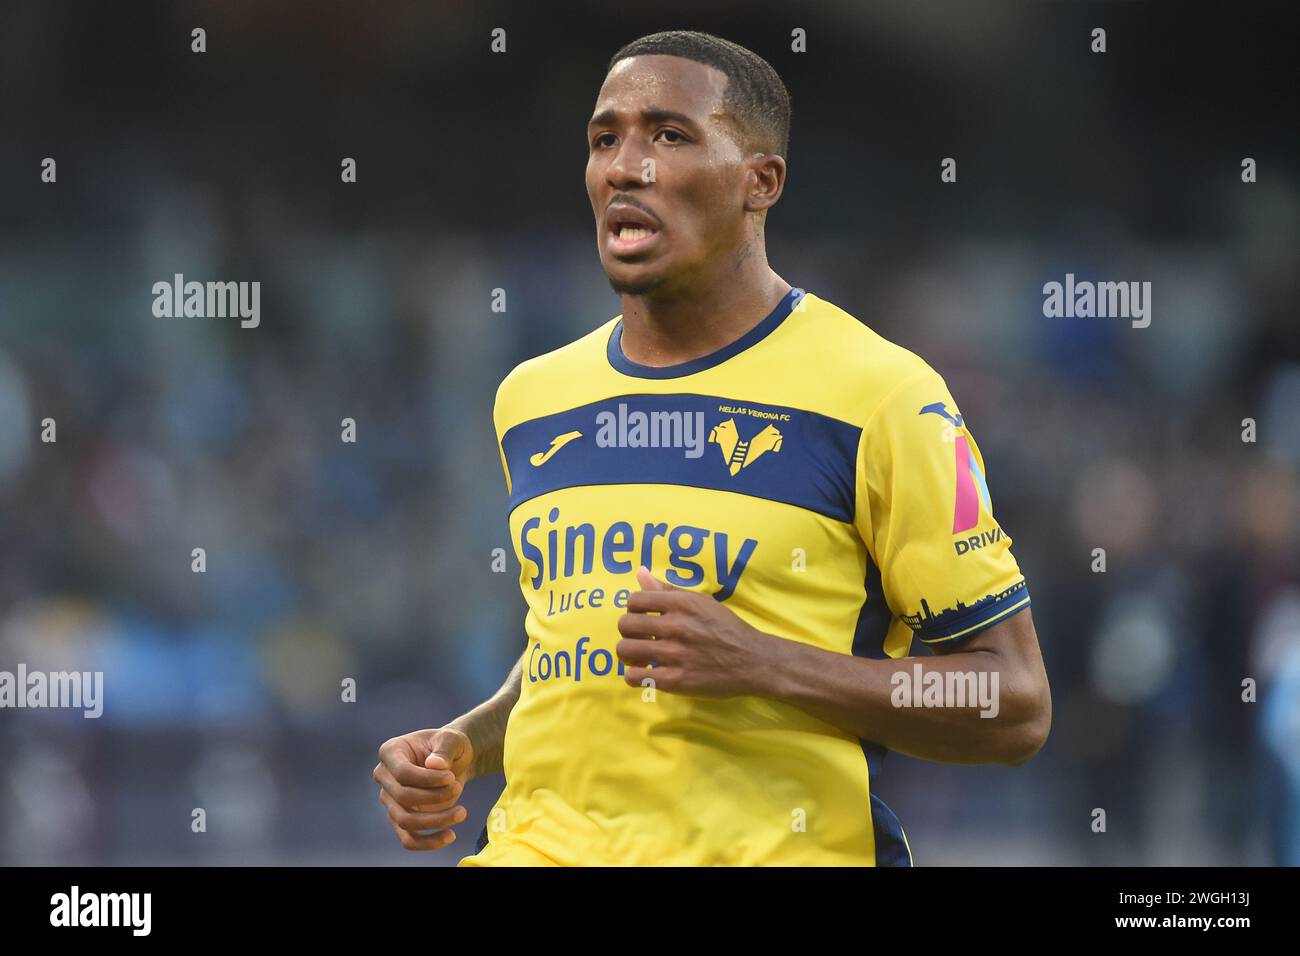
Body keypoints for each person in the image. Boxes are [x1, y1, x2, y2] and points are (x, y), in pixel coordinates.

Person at [374, 29, 1051, 866]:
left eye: (669, 135)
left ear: (759, 182)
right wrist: (465, 744)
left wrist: (765, 663)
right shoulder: (534, 399)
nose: (626, 166)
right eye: (603, 138)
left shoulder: (882, 396)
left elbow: (1013, 702)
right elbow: (571, 653)